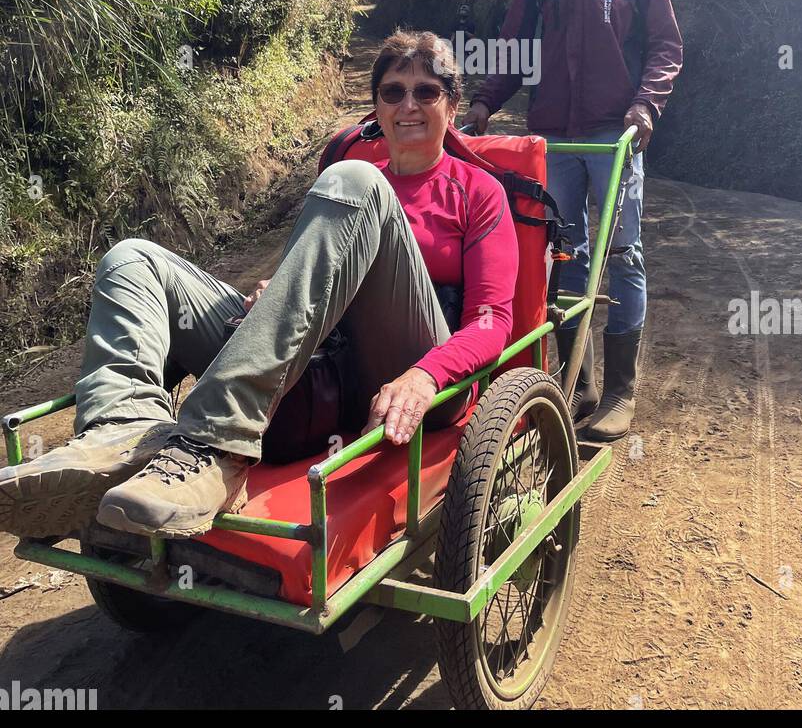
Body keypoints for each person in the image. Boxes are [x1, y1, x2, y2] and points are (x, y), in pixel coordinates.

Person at [0, 32, 517, 541]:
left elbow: (493, 321)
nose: (409, 104)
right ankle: (121, 432)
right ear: (377, 109)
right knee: (132, 260)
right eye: (393, 92)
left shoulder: (475, 191)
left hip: (406, 368)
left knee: (356, 181)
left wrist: (426, 376)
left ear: (451, 108)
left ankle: (218, 441)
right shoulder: (349, 174)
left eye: (426, 91)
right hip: (315, 365)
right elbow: (315, 267)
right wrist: (280, 285)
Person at [462, 0, 682, 442]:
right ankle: (576, 382)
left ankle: (620, 391)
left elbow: (665, 47)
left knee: (625, 254)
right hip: (554, 135)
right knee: (563, 252)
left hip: (616, 134)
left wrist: (645, 108)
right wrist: (485, 103)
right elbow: (512, 45)